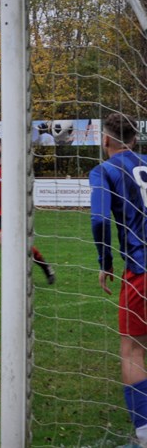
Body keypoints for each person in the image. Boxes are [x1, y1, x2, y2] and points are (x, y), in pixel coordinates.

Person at [90, 113, 147, 443]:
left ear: (105, 140)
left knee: (133, 350)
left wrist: (105, 262)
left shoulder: (105, 170)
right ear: (136, 140)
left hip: (141, 270)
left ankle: (144, 432)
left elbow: (99, 220)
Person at [0, 136, 55, 284]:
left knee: (23, 246)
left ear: (2, 148)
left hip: (15, 212)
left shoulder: (11, 167)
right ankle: (14, 275)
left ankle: (45, 266)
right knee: (3, 242)